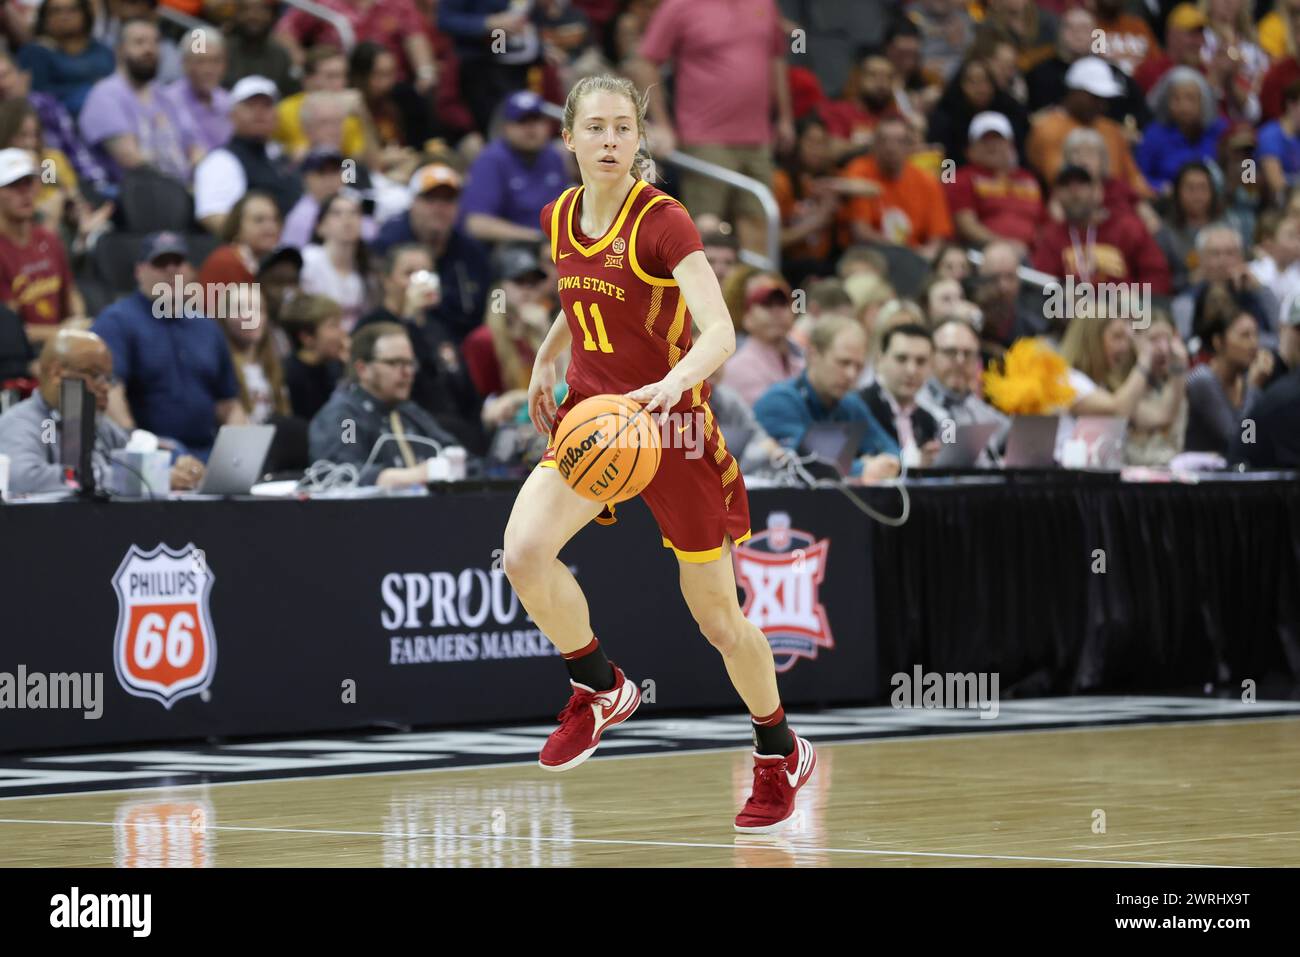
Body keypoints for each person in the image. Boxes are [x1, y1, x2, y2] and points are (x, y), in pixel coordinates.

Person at [502, 74, 816, 832]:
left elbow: (721, 332)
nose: (610, 141)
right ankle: (598, 684)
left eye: (623, 128)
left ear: (640, 138)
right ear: (569, 138)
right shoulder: (559, 216)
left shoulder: (665, 221)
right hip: (596, 420)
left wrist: (671, 387)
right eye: (596, 128)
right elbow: (581, 299)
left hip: (672, 432)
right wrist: (549, 352)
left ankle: (779, 749)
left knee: (717, 619)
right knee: (523, 553)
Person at [628, 0, 792, 253]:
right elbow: (644, 62)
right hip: (704, 137)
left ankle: (754, 291)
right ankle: (703, 293)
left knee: (758, 225)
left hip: (759, 137)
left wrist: (785, 118)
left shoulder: (765, 4)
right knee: (707, 229)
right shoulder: (679, 6)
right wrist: (662, 124)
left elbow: (776, 57)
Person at [91, 231, 249, 459]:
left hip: (207, 452)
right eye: (160, 262)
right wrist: (138, 449)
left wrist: (238, 453)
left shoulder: (207, 326)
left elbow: (228, 402)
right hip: (153, 452)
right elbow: (109, 393)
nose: (171, 270)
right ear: (139, 271)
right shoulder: (116, 322)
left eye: (178, 262)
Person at [0, 327, 206, 492]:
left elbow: (133, 462)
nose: (105, 387)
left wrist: (175, 469)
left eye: (108, 378)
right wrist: (150, 478)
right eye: (95, 375)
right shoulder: (22, 422)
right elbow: (24, 478)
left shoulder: (99, 424)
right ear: (56, 373)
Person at [356, 242, 482, 449]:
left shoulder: (439, 326)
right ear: (387, 280)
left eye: (427, 272)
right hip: (409, 433)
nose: (420, 280)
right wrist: (409, 317)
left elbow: (463, 387)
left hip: (458, 432)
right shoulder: (373, 325)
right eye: (409, 273)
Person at [307, 320, 459, 486]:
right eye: (394, 363)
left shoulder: (408, 411)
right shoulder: (346, 417)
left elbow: (454, 453)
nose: (407, 372)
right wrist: (406, 477)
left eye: (409, 363)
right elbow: (343, 470)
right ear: (362, 369)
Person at [754, 313, 901, 481]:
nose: (851, 374)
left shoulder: (850, 403)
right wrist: (864, 466)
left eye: (858, 366)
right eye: (843, 363)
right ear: (813, 355)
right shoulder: (779, 401)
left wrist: (884, 463)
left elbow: (891, 450)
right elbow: (808, 463)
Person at [371, 162, 492, 341]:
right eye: (430, 199)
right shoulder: (387, 244)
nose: (439, 208)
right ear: (413, 202)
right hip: (399, 338)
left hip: (460, 347)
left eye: (448, 200)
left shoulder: (472, 253)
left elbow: (482, 313)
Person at [77, 18, 203, 184]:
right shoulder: (105, 95)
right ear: (120, 50)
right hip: (137, 196)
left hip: (181, 191)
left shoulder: (166, 96)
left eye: (155, 42)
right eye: (139, 42)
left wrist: (201, 170)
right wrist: (180, 187)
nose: (149, 49)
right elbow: (130, 160)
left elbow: (195, 147)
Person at [1030, 165, 1171, 293]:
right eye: (1066, 185)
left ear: (1098, 191)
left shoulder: (1127, 228)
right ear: (1056, 196)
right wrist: (1061, 299)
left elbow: (1157, 276)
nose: (1074, 192)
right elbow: (1041, 284)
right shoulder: (1051, 236)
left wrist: (1133, 299)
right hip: (1074, 315)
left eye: (1082, 184)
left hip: (1127, 313)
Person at [460, 90, 573, 245]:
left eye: (536, 120)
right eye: (522, 121)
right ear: (506, 127)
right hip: (512, 249)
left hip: (554, 245)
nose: (531, 128)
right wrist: (537, 238)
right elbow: (476, 224)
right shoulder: (491, 160)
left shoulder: (553, 156)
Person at [194, 75, 303, 233]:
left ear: (276, 115)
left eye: (266, 105)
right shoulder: (220, 161)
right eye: (250, 105)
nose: (259, 112)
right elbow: (214, 217)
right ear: (232, 115)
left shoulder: (282, 157)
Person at [0, 148, 82, 346]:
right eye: (13, 186)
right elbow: (9, 330)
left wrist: (79, 320)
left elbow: (70, 294)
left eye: (28, 183)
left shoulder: (49, 238)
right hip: (20, 355)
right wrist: (67, 332)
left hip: (58, 343)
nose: (25, 193)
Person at [841, 115, 953, 257]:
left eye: (899, 142)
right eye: (884, 141)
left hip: (915, 258)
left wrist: (926, 255)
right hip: (871, 255)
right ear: (874, 145)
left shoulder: (927, 180)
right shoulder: (858, 171)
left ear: (910, 146)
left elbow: (937, 237)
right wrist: (903, 252)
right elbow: (861, 232)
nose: (891, 148)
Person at [946, 110, 1043, 252]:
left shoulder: (1028, 178)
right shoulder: (961, 178)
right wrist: (1005, 246)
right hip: (985, 253)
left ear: (1011, 145)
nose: (992, 145)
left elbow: (1044, 223)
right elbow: (966, 225)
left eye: (998, 139)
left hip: (1034, 255)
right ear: (971, 149)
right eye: (985, 140)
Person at [915, 317, 1008, 464]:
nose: (960, 361)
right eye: (950, 352)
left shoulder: (976, 406)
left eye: (968, 353)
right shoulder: (915, 405)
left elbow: (1008, 432)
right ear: (931, 355)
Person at [1185, 308, 1269, 454]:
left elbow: (1255, 442)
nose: (1254, 344)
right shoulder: (1202, 380)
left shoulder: (1246, 383)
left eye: (1256, 335)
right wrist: (1254, 388)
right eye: (1245, 336)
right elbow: (1238, 442)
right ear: (1218, 342)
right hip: (1203, 474)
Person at [860, 321, 940, 464]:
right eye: (901, 359)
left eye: (921, 361)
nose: (911, 370)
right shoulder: (858, 408)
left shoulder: (927, 420)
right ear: (879, 360)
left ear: (931, 366)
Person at [18, 0, 115, 117]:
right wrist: (90, 89)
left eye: (72, 10)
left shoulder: (102, 50)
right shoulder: (36, 52)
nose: (64, 16)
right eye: (55, 11)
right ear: (44, 18)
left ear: (85, 14)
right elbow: (38, 95)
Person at [720, 272, 804, 406]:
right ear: (747, 317)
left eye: (783, 304)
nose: (777, 311)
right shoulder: (738, 367)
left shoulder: (802, 358)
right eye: (767, 305)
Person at [1125, 310, 1190, 466]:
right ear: (1136, 341)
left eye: (1168, 339)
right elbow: (1163, 417)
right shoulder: (1123, 386)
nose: (1164, 348)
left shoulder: (1174, 383)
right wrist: (1178, 369)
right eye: (1153, 340)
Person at [300, 190, 370, 330]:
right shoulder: (307, 261)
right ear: (320, 227)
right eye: (337, 213)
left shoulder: (367, 269)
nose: (347, 219)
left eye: (354, 213)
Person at [197, 190, 281, 296]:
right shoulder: (224, 262)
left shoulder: (278, 264)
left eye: (275, 219)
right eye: (259, 220)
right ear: (237, 227)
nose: (270, 227)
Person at [279, 293, 348, 421]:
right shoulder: (287, 375)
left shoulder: (336, 368)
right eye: (333, 326)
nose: (342, 332)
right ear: (307, 337)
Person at [162, 27, 231, 153]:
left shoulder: (228, 102)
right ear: (184, 63)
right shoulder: (167, 102)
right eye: (200, 61)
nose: (208, 69)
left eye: (216, 61)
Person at [222, 0, 297, 94]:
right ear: (236, 15)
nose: (253, 16)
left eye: (260, 10)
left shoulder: (281, 55)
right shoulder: (222, 51)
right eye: (246, 9)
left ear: (271, 15)